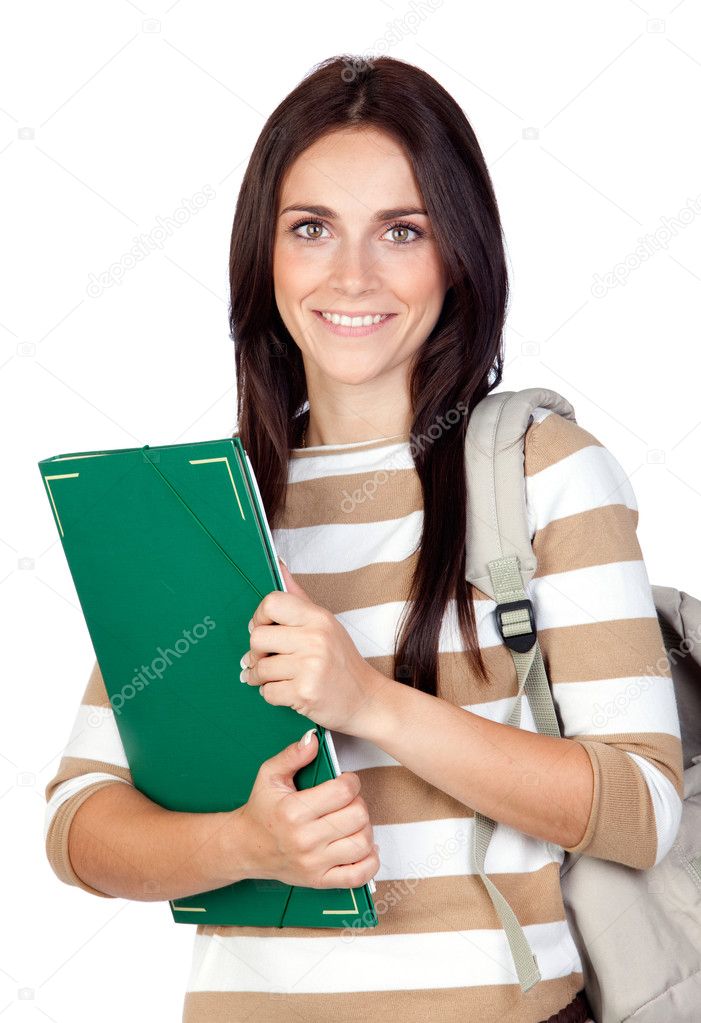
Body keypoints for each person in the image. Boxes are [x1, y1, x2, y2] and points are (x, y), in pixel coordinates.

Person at [44, 54, 683, 1023]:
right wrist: (245, 848)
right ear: (267, 254)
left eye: (401, 230)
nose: (351, 275)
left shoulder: (539, 472)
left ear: (457, 251)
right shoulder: (210, 506)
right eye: (311, 229)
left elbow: (641, 807)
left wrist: (370, 704)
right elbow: (76, 825)